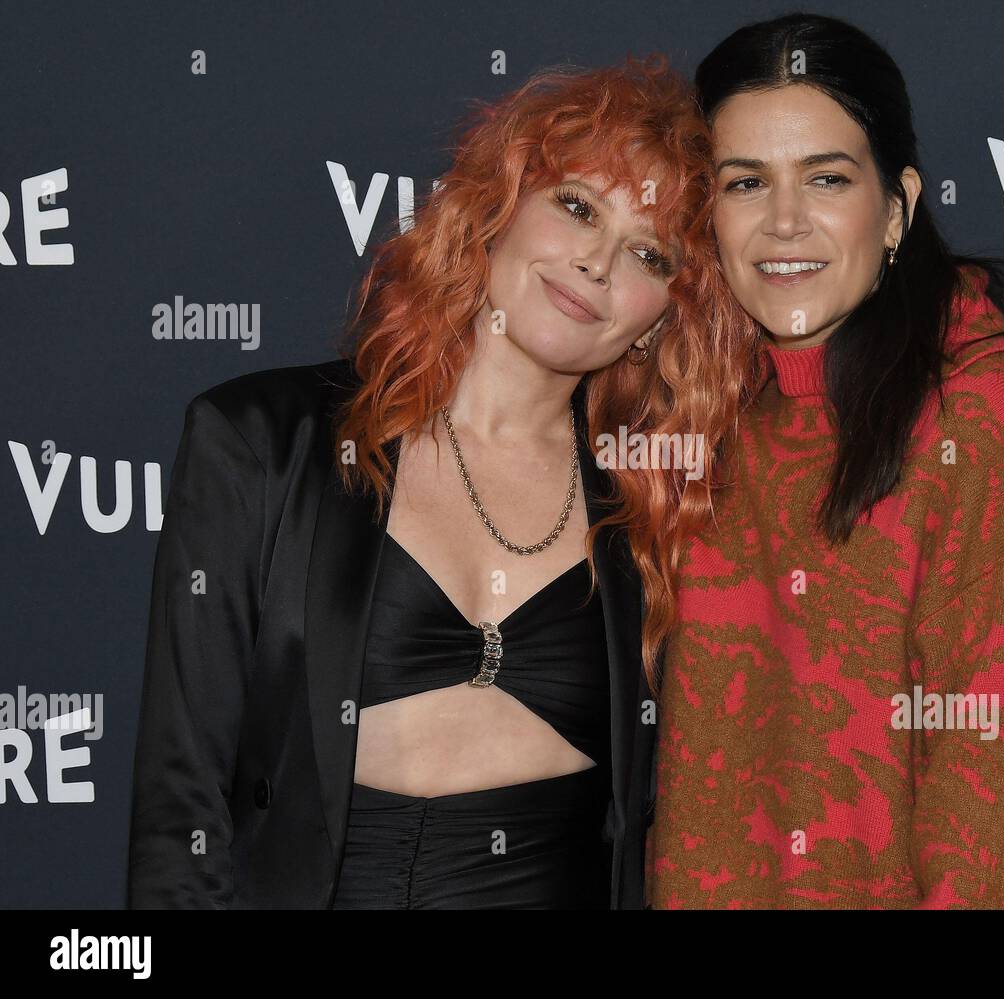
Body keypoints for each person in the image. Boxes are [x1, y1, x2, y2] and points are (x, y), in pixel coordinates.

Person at [126, 55, 755, 909]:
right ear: (499, 204)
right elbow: (182, 802)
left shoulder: (662, 508)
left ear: (662, 318)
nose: (598, 265)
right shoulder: (263, 442)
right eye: (578, 207)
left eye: (648, 254)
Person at [645, 13, 1004, 908]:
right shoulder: (707, 405)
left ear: (899, 206)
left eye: (827, 179)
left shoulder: (989, 425)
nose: (785, 222)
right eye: (746, 182)